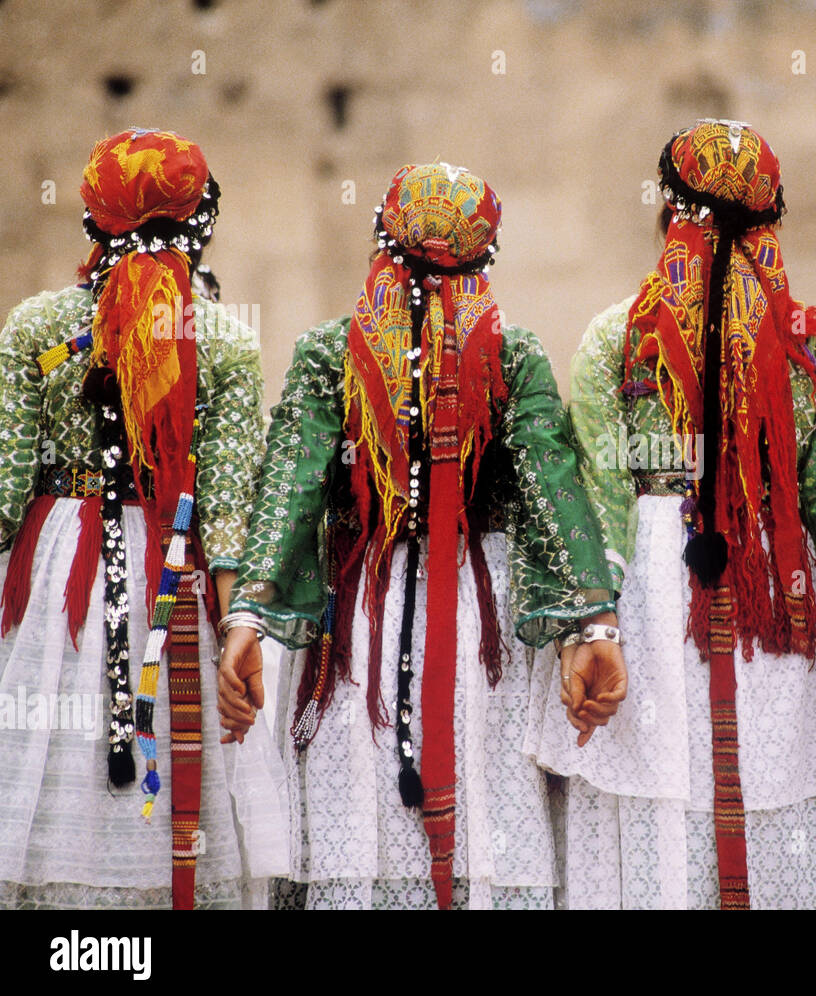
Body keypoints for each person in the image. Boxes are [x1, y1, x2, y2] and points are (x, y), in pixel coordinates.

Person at [218, 161, 626, 910]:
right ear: (485, 260)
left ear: (381, 243)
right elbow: (553, 490)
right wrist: (593, 625)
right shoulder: (513, 355)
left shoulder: (328, 352)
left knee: (357, 827)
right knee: (483, 820)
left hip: (359, 626)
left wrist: (249, 615)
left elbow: (292, 486)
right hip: (482, 628)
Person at [526, 119, 816, 909]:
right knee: (771, 815)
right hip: (778, 599)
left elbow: (603, 498)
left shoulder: (614, 339)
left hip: (656, 597)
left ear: (671, 214)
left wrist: (593, 632)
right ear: (773, 223)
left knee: (665, 815)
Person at [0, 128, 287, 909]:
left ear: (93, 223)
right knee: (182, 789)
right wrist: (239, 632)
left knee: (46, 764)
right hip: (177, 576)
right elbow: (228, 507)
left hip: (61, 573)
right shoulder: (219, 336)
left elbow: (3, 496)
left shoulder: (35, 331)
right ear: (202, 223)